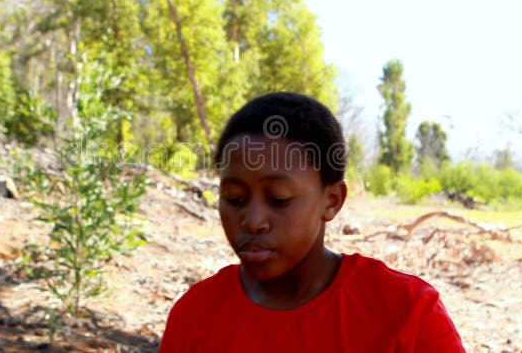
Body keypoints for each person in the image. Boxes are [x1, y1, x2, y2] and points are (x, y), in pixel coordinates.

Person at [159, 92, 465, 352]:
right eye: (235, 198)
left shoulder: (406, 313)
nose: (252, 221)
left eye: (279, 199)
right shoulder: (196, 316)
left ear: (331, 200)